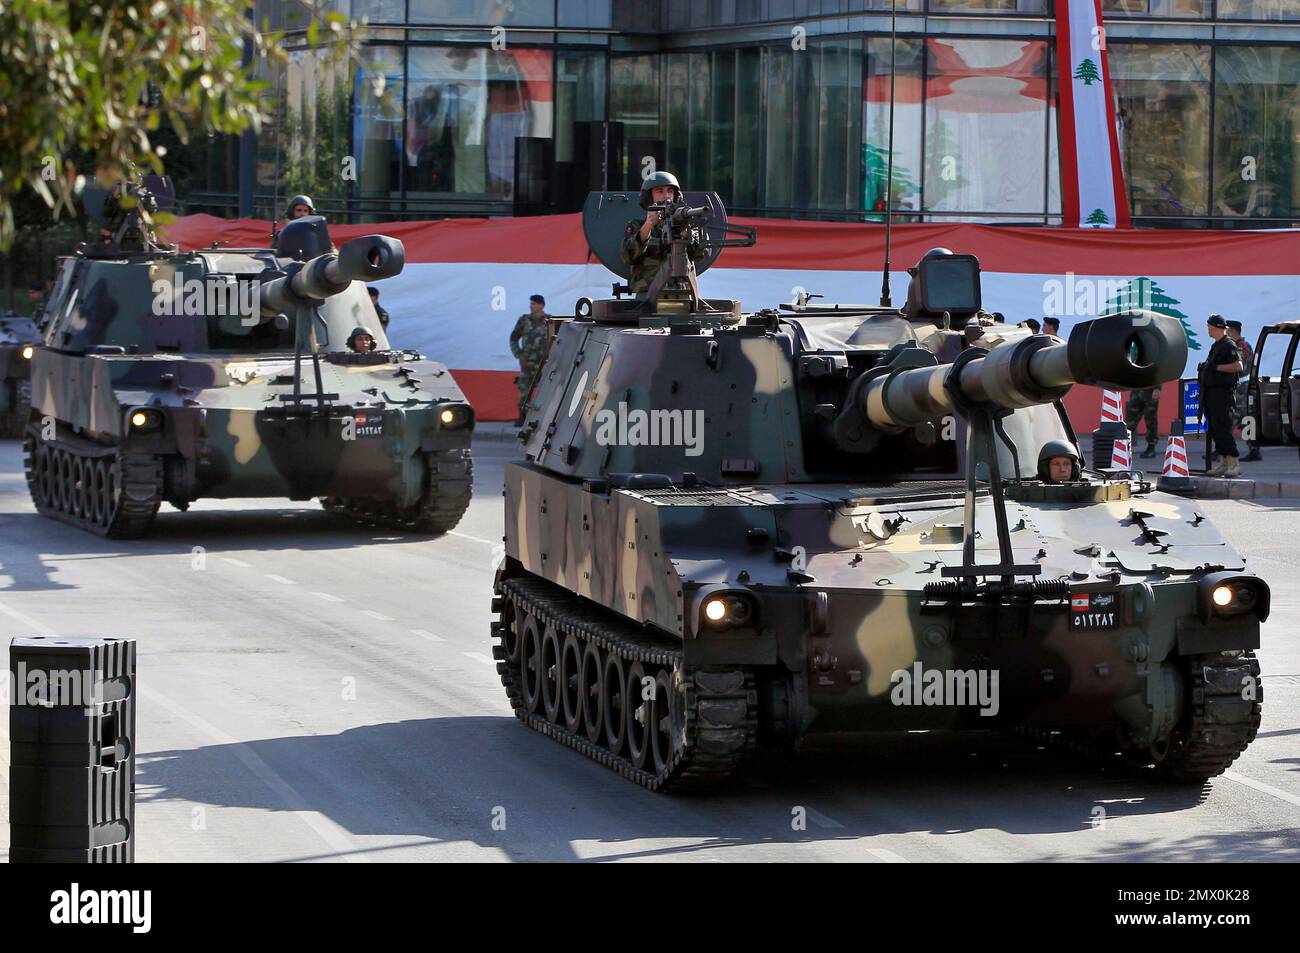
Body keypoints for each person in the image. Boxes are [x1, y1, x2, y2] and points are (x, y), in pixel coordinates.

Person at [620, 171, 707, 298]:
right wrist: (648, 225)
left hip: (682, 294)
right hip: (648, 296)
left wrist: (685, 233)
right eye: (659, 191)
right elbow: (628, 256)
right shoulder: (637, 225)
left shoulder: (688, 224)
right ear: (649, 197)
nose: (666, 196)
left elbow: (702, 254)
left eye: (670, 191)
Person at [1199, 314, 1243, 477]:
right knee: (1215, 429)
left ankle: (1234, 463)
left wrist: (1216, 368)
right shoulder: (1216, 346)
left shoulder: (1228, 344)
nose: (1209, 330)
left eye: (1211, 327)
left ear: (1218, 328)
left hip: (1223, 394)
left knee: (1223, 428)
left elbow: (1238, 365)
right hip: (1212, 393)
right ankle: (1224, 463)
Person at [509, 294, 550, 424]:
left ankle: (543, 418)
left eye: (534, 304)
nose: (531, 306)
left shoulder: (549, 321)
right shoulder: (524, 320)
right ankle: (522, 418)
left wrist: (551, 359)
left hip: (544, 364)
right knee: (524, 392)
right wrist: (519, 355)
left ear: (541, 305)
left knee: (545, 391)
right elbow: (514, 338)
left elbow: (556, 341)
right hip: (527, 363)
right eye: (531, 304)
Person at [1226, 320, 1261, 462]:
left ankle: (1223, 450)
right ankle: (1254, 450)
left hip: (1242, 388)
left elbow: (1239, 368)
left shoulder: (1240, 347)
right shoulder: (1241, 346)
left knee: (1231, 418)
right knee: (1245, 421)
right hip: (1241, 387)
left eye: (1227, 331)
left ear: (1233, 331)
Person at [1125, 387, 1161, 459]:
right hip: (1137, 389)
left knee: (1151, 420)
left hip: (1150, 390)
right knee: (1130, 419)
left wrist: (1157, 389)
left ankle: (1151, 447)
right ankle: (1124, 446)